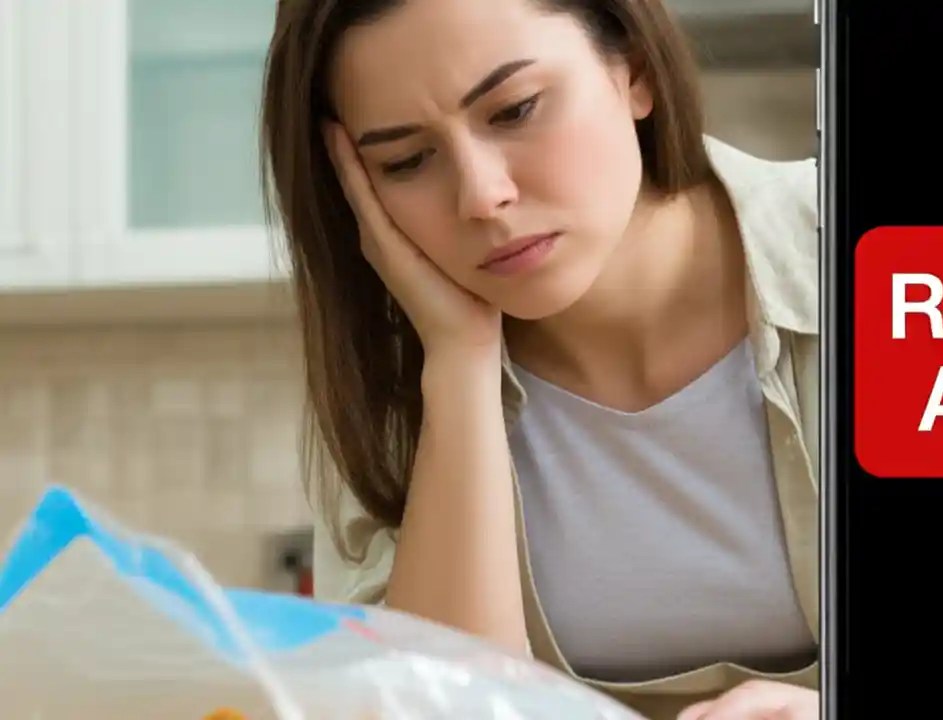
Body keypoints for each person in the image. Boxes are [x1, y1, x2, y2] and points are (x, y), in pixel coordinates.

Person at [259, 1, 819, 718]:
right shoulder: (393, 397)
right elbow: (433, 710)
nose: (483, 196)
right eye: (407, 161)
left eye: (516, 110)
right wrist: (459, 367)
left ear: (634, 71)